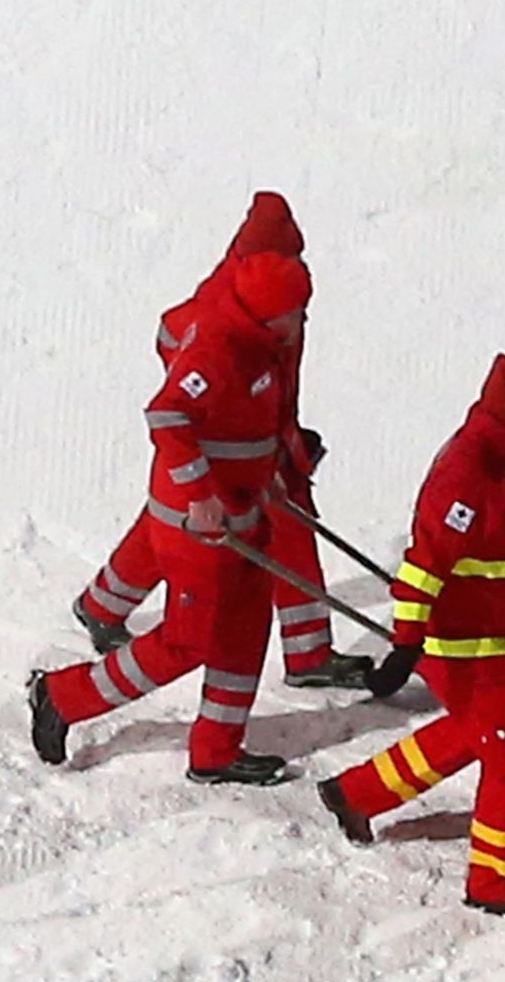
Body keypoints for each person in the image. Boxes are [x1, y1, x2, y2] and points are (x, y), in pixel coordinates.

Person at [28, 252, 313, 784]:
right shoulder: (216, 351)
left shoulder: (264, 348)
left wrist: (275, 466)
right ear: (269, 313)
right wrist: (202, 494)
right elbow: (166, 415)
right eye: (296, 311)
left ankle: (216, 752)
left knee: (245, 631)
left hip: (245, 514)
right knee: (189, 640)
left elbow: (250, 420)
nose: (301, 323)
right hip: (196, 528)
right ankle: (63, 695)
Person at [72, 192, 373, 689]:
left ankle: (104, 603)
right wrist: (224, 424)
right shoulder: (235, 303)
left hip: (257, 441)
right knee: (270, 532)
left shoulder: (272, 295)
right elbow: (178, 351)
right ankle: (309, 653)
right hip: (233, 446)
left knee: (170, 524)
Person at [314, 355, 505, 915]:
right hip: (463, 648)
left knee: (475, 735)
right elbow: (426, 564)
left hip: (494, 639)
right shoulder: (468, 474)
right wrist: (406, 641)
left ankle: (355, 794)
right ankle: (494, 885)